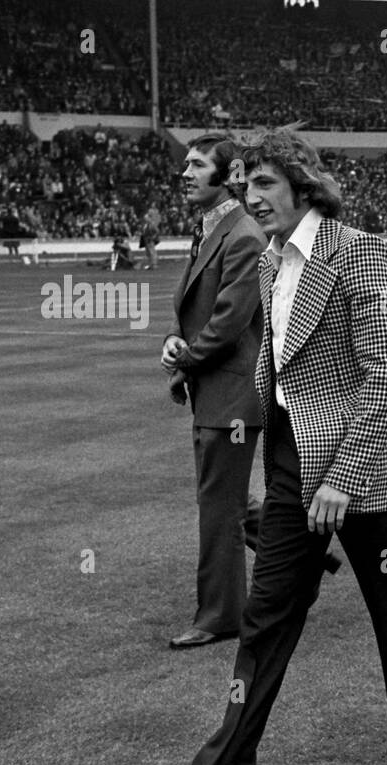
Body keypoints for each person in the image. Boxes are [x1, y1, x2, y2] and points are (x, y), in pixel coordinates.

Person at [148, 131, 387, 765]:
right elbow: (275, 365)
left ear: (303, 186)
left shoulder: (358, 253)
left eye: (265, 186)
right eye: (245, 188)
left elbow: (386, 376)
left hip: (356, 468)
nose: (252, 199)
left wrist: (343, 475)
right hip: (289, 465)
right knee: (267, 618)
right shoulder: (269, 263)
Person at [160, 133, 265, 648]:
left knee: (218, 507)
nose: (185, 173)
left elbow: (228, 323)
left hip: (234, 395)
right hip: (217, 390)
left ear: (228, 175)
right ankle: (308, 552)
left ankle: (221, 617)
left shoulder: (243, 234)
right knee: (230, 502)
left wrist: (185, 365)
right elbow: (194, 310)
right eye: (185, 164)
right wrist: (172, 341)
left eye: (197, 165)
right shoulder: (209, 231)